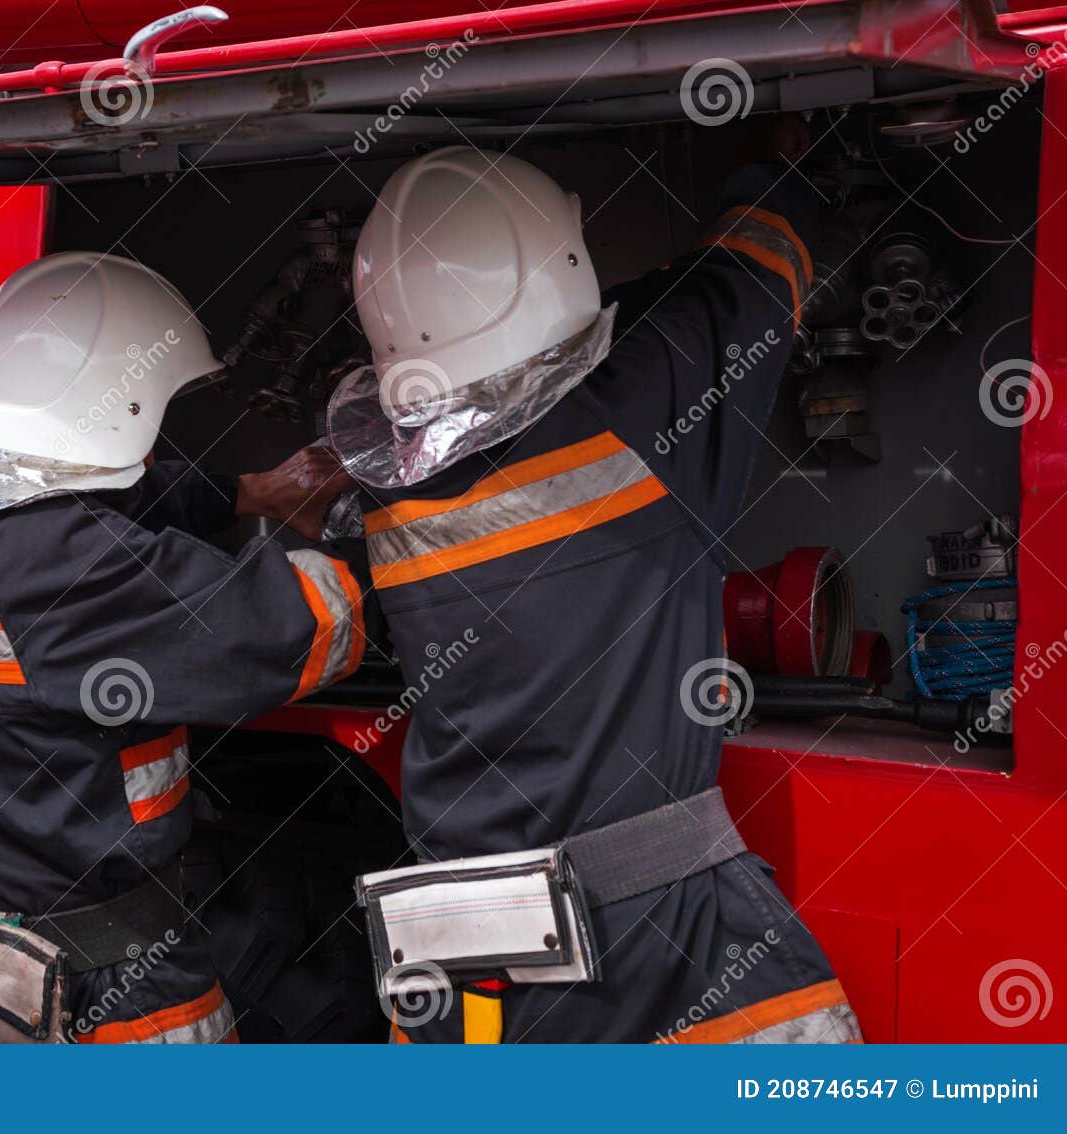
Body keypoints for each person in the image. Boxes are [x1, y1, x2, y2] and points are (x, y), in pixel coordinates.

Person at [328, 127, 861, 1043]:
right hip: (659, 943)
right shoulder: (643, 404)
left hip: (458, 969)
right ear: (564, 265)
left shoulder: (389, 485)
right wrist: (792, 159)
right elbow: (748, 274)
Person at [0, 251, 365, 1043]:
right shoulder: (72, 565)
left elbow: (114, 500)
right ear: (125, 401)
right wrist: (378, 533)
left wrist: (252, 492)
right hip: (119, 995)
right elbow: (295, 634)